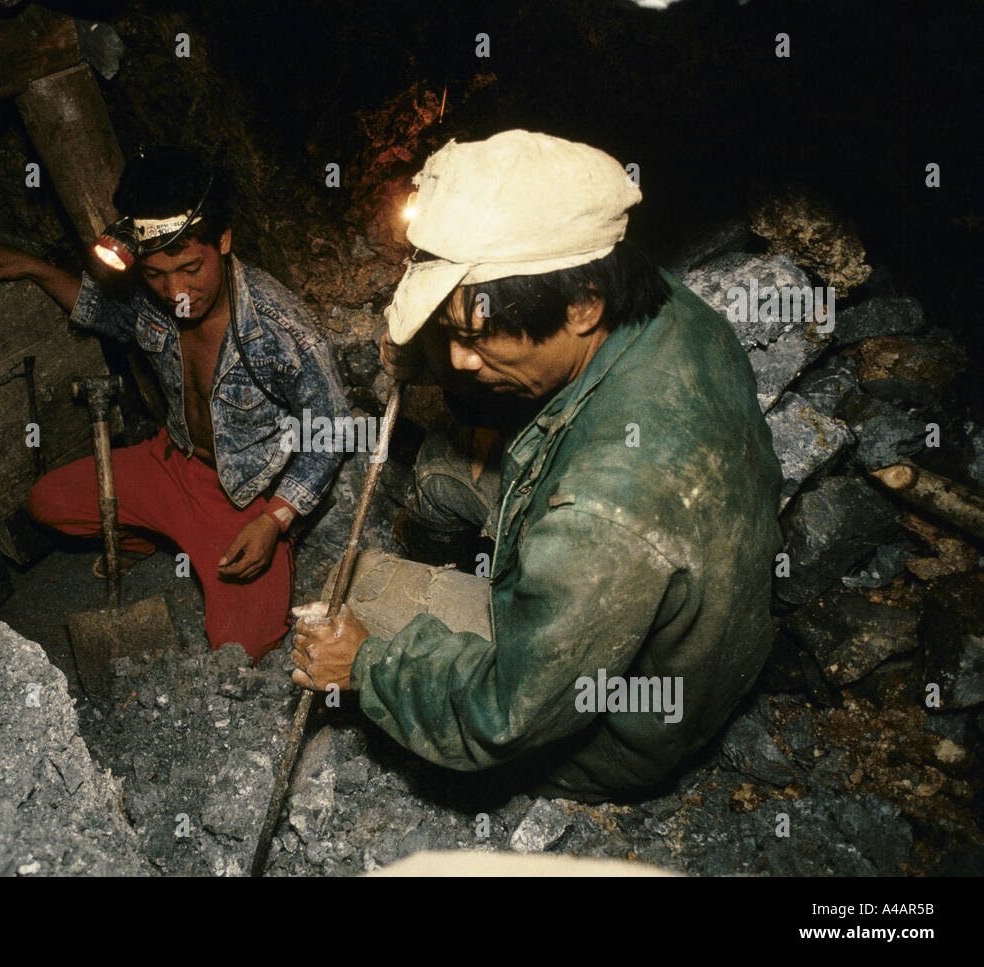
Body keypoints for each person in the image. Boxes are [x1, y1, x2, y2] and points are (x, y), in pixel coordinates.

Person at [290, 130, 784, 801]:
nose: (461, 358)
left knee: (365, 594)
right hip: (665, 613)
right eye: (452, 330)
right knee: (440, 468)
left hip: (620, 730)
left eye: (474, 334)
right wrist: (431, 348)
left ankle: (484, 617)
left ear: (582, 304)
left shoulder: (606, 506)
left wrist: (367, 667)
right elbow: (488, 343)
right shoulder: (665, 306)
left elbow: (504, 716)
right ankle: (487, 589)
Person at [0, 149, 349, 661]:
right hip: (171, 462)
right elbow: (108, 315)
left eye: (190, 268)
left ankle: (219, 543)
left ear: (223, 239)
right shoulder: (155, 298)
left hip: (241, 498)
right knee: (47, 504)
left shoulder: (282, 328)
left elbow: (333, 431)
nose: (176, 292)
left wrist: (275, 520)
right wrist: (33, 268)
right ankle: (157, 535)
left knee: (242, 644)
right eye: (155, 274)